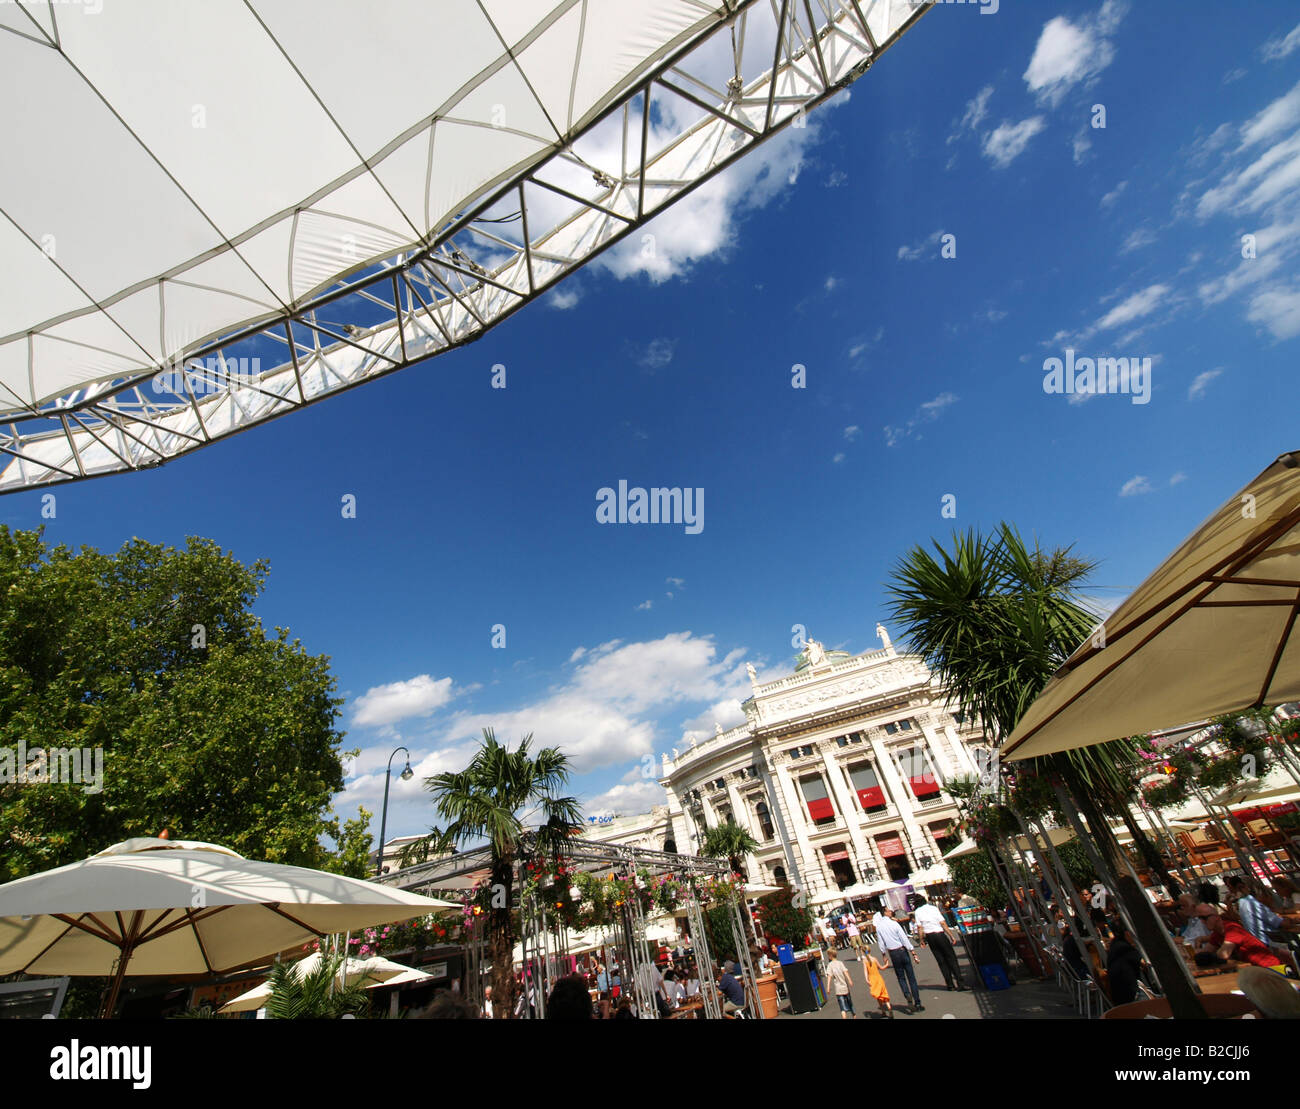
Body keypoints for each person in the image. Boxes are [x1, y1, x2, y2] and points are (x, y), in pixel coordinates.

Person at [874, 907, 923, 1013]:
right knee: (911, 977)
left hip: (893, 953)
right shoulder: (894, 924)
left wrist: (883, 954)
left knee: (901, 977)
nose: (891, 911)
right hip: (902, 950)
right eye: (889, 910)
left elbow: (881, 943)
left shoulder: (879, 927)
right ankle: (917, 1002)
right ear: (885, 913)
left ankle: (907, 994)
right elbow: (903, 938)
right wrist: (912, 951)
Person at [913, 895, 965, 991]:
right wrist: (951, 935)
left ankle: (950, 984)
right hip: (939, 934)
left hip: (930, 936)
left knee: (941, 961)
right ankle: (960, 982)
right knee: (951, 958)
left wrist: (921, 940)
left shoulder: (917, 912)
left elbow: (920, 928)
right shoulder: (933, 908)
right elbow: (942, 922)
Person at [1225, 875, 1288, 941]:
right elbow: (1281, 923)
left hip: (1262, 938)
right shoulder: (1250, 902)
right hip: (1270, 939)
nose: (1229, 889)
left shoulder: (1244, 902)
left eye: (1229, 886)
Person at [1106, 924, 1144, 1005]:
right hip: (1129, 996)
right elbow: (1144, 963)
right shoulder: (1125, 949)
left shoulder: (1115, 944)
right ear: (1127, 933)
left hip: (1118, 993)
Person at [824, 948, 856, 1019]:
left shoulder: (830, 965)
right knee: (850, 1004)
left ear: (830, 956)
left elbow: (829, 976)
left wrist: (828, 987)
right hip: (845, 987)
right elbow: (845, 972)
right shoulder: (840, 963)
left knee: (842, 1008)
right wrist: (850, 980)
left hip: (838, 990)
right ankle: (854, 1016)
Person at [862, 948, 893, 1018]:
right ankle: (889, 1008)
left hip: (872, 979)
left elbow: (865, 971)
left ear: (863, 952)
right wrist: (887, 964)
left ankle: (883, 1011)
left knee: (878, 996)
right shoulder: (874, 959)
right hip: (878, 978)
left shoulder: (864, 961)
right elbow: (881, 968)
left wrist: (867, 979)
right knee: (884, 993)